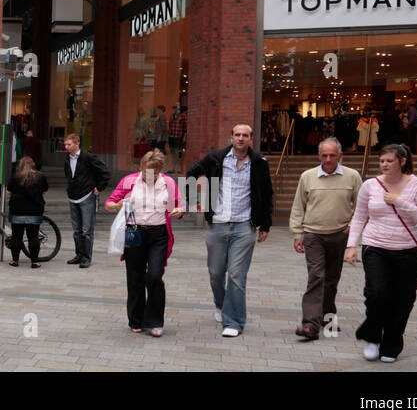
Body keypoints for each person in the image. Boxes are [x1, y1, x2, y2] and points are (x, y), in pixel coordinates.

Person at [345, 143, 417, 363]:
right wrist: (352, 245)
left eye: (389, 161)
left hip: (407, 251)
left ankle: (392, 343)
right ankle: (373, 338)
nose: (384, 165)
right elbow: (359, 217)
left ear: (402, 162)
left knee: (403, 300)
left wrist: (401, 202)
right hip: (375, 247)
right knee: (376, 294)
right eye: (382, 161)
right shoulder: (370, 185)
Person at [186, 124, 273, 337]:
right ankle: (220, 303)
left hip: (245, 227)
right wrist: (193, 201)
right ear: (231, 137)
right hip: (218, 224)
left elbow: (267, 194)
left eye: (245, 135)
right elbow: (191, 173)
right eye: (237, 134)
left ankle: (233, 322)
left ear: (251, 138)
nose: (241, 138)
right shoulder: (217, 158)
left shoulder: (259, 163)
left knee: (236, 275)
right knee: (216, 273)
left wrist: (265, 224)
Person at [105, 149, 185, 335]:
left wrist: (179, 211)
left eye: (155, 172)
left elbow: (179, 205)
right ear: (141, 168)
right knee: (135, 277)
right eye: (147, 171)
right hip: (135, 233)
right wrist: (116, 205)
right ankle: (136, 319)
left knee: (155, 276)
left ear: (160, 170)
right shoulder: (129, 181)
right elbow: (109, 203)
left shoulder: (169, 183)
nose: (151, 176)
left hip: (159, 234)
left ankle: (156, 321)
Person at [290, 138, 362, 341]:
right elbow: (298, 206)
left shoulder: (352, 176)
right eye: (324, 155)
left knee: (331, 279)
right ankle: (310, 324)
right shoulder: (308, 176)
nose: (328, 159)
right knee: (316, 277)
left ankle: (329, 318)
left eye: (332, 155)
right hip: (313, 234)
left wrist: (353, 228)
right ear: (319, 156)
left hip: (340, 234)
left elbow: (362, 206)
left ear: (340, 156)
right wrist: (297, 233)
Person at [62, 133, 109, 268]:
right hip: (73, 196)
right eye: (65, 144)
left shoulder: (88, 157)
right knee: (76, 230)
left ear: (77, 144)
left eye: (69, 144)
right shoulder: (67, 158)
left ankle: (86, 257)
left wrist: (99, 187)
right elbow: (68, 174)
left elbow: (104, 172)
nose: (66, 147)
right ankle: (79, 255)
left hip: (86, 196)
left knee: (86, 230)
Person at [5, 157, 49, 268]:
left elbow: (9, 191)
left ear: (20, 165)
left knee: (16, 237)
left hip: (17, 210)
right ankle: (34, 261)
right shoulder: (41, 176)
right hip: (34, 210)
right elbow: (45, 190)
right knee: (33, 237)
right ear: (33, 164)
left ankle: (15, 261)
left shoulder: (15, 177)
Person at [168, 104, 187, 170]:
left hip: (179, 136)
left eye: (176, 108)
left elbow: (185, 127)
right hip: (172, 136)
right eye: (174, 108)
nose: (175, 109)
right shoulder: (172, 116)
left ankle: (179, 167)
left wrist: (184, 137)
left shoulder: (183, 116)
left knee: (178, 152)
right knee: (172, 151)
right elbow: (170, 125)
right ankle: (173, 167)